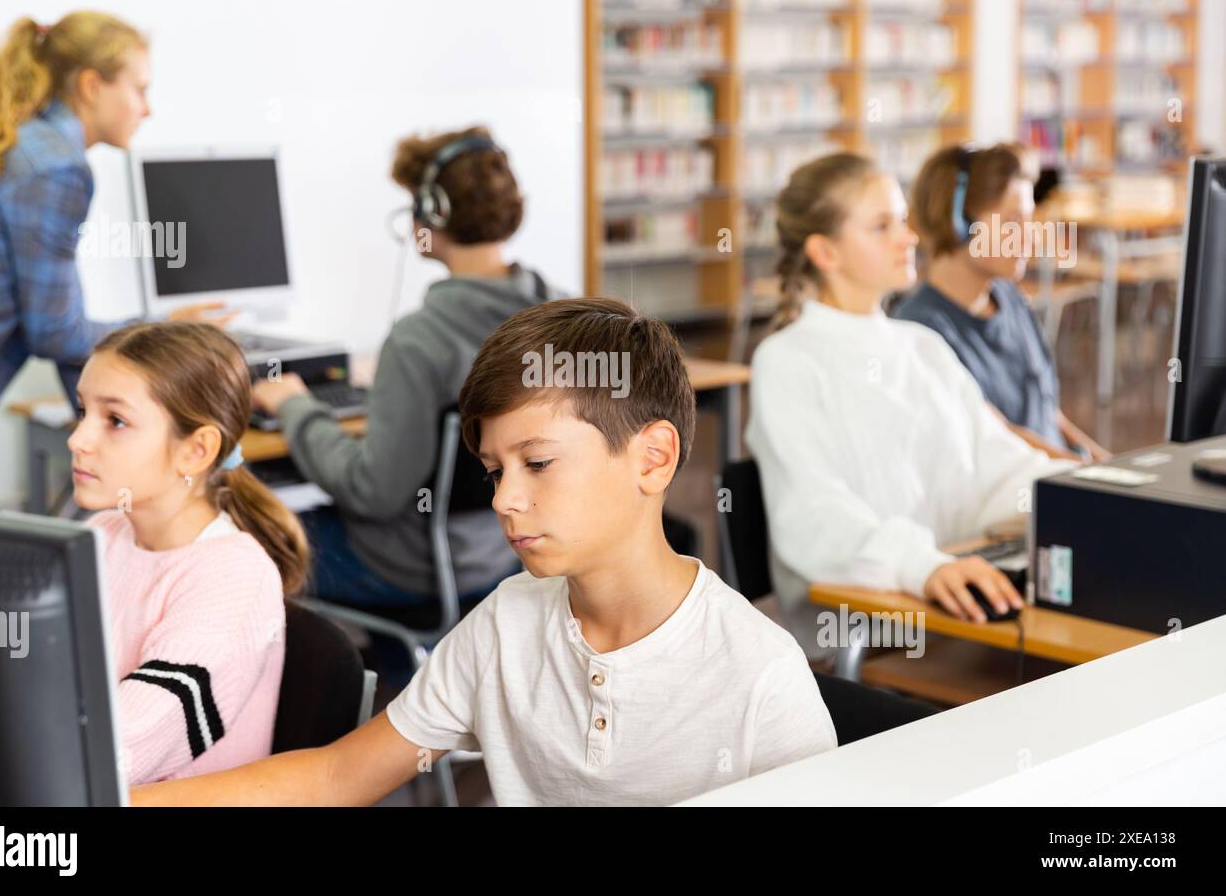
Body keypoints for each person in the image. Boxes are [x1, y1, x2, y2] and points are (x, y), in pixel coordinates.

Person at [134, 298, 837, 806]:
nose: (504, 499)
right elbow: (334, 778)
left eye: (537, 463)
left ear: (652, 459)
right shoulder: (507, 622)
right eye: (496, 471)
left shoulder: (760, 679)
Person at [745, 152, 1077, 660]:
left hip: (953, 614)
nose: (910, 237)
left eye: (902, 219)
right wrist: (922, 565)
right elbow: (814, 517)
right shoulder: (787, 362)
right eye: (882, 226)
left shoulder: (921, 346)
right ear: (825, 252)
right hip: (866, 642)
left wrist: (1079, 495)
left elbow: (994, 467)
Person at [0, 12, 231, 493]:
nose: (146, 109)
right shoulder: (54, 168)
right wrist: (170, 334)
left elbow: (62, 327)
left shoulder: (27, 144)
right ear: (92, 86)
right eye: (139, 90)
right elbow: (56, 332)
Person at [250, 127, 548, 609]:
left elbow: (373, 493)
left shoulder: (418, 342)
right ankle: (408, 666)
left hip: (422, 568)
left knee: (259, 530)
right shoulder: (562, 320)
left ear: (433, 213)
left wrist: (297, 408)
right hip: (514, 552)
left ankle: (382, 665)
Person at [70, 321, 308, 784]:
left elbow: (112, 753)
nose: (78, 439)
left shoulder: (235, 578)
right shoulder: (102, 533)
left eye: (115, 421)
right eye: (82, 411)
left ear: (196, 451)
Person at [895, 143, 1108, 461]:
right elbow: (998, 438)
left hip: (1063, 478)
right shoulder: (921, 330)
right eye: (1012, 223)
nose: (1031, 237)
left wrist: (1110, 463)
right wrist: (1087, 477)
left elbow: (1048, 413)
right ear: (959, 224)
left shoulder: (1008, 297)